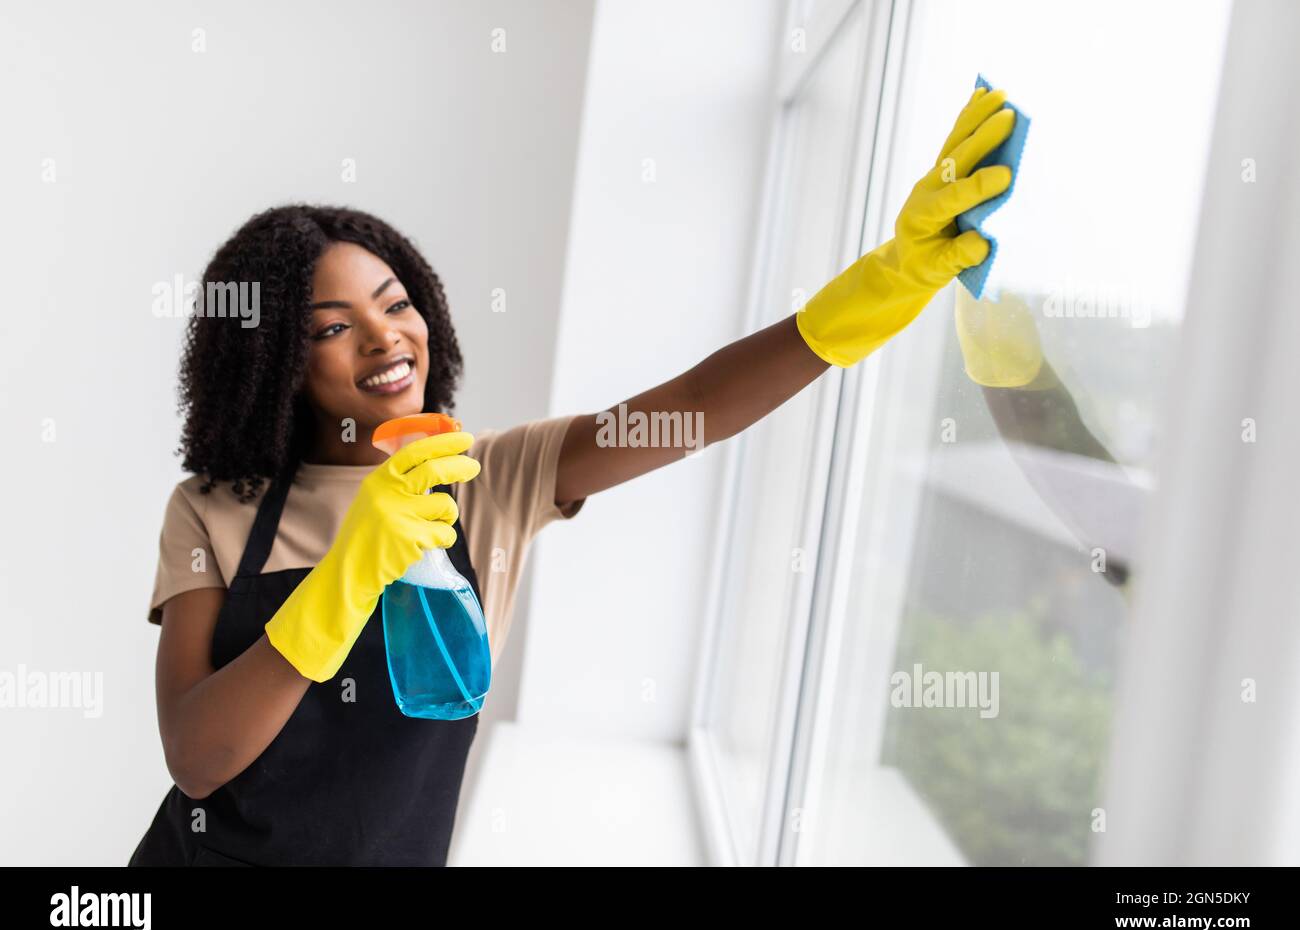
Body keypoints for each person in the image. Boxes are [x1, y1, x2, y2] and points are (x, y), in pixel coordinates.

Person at [129, 86, 1017, 865]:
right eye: (332, 327)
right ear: (274, 359)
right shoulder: (211, 510)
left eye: (396, 304)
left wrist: (882, 284)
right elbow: (197, 757)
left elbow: (694, 406)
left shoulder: (491, 480)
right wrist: (348, 573)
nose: (383, 336)